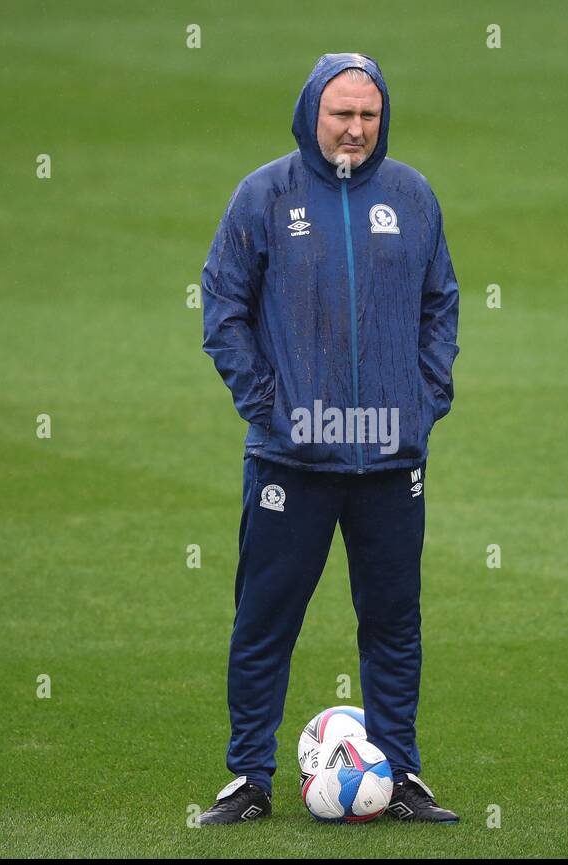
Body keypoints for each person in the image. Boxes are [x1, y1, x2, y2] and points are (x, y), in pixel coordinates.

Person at [197, 52, 460, 824]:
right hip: (293, 457)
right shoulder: (265, 196)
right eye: (341, 113)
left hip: (389, 458)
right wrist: (268, 407)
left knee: (393, 623)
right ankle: (249, 777)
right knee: (264, 620)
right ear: (312, 111)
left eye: (368, 116)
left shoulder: (412, 196)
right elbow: (222, 308)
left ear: (383, 120)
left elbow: (440, 304)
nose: (354, 128)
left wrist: (422, 403)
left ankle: (402, 772)